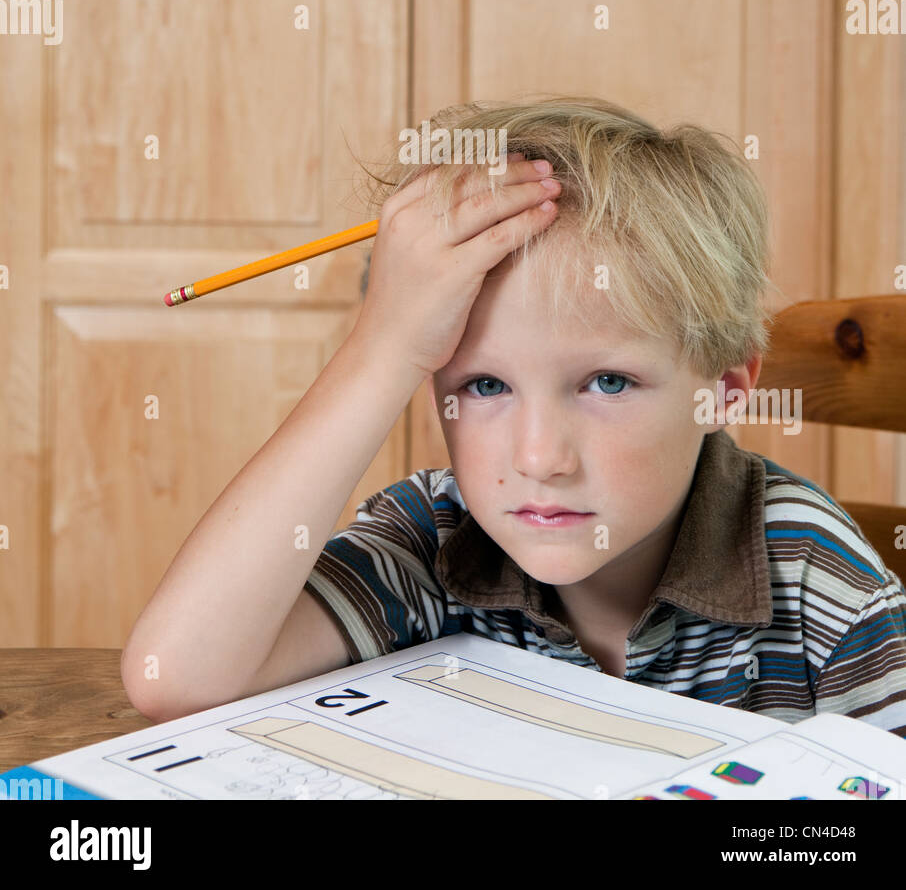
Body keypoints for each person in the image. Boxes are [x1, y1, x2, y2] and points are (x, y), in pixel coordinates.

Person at [121, 96, 906, 738]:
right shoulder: (435, 538)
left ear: (726, 388)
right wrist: (383, 348)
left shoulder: (814, 581)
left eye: (606, 382)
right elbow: (177, 677)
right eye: (486, 386)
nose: (539, 458)